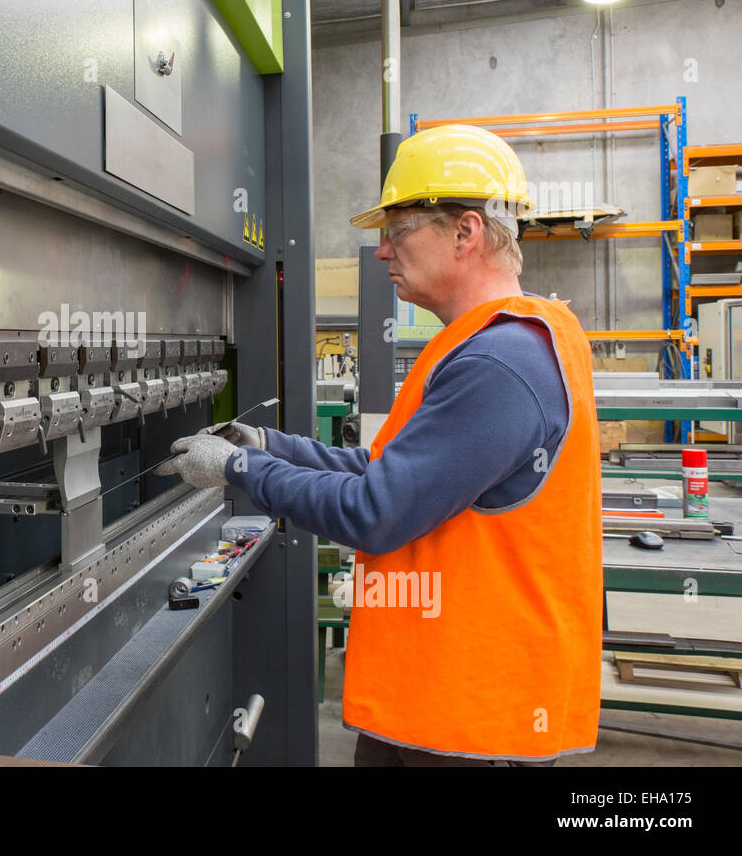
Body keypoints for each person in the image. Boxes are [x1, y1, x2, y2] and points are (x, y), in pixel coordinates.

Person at [157, 124, 601, 766]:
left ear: (465, 232)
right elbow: (385, 472)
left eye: (396, 232)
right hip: (434, 705)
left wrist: (237, 468)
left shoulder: (499, 363)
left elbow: (377, 511)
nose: (383, 253)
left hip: (472, 722)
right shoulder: (492, 343)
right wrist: (267, 444)